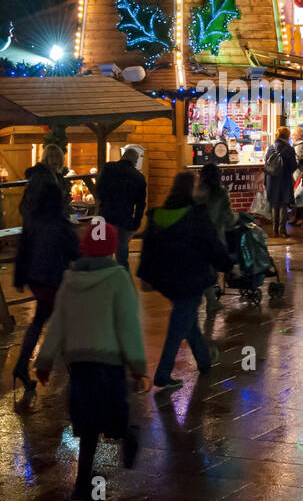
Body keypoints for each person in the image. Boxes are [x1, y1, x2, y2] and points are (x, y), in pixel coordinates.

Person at [33, 221, 147, 501]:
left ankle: (83, 483)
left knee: (86, 422)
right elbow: (128, 325)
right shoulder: (119, 278)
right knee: (113, 411)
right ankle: (128, 435)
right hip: (109, 362)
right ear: (111, 248)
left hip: (80, 362)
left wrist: (44, 360)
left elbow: (58, 323)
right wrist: (137, 365)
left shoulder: (70, 279)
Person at [138, 172, 234, 392]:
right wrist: (229, 266)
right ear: (190, 190)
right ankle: (163, 373)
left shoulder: (159, 215)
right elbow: (212, 245)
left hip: (166, 280)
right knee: (177, 326)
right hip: (191, 278)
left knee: (187, 319)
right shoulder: (196, 216)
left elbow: (149, 249)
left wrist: (145, 275)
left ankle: (203, 360)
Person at [12, 173, 80, 405]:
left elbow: (22, 252)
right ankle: (70, 370)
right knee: (66, 323)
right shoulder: (60, 224)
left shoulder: (32, 221)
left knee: (41, 320)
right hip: (55, 279)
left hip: (37, 279)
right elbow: (74, 251)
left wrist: (19, 278)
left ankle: (23, 365)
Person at [195, 162, 236, 316]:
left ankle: (209, 299)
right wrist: (234, 221)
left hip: (197, 235)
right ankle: (210, 301)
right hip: (214, 238)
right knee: (210, 271)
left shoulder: (196, 192)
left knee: (203, 269)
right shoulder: (220, 193)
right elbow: (228, 218)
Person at [95, 147, 147, 268]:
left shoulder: (108, 168)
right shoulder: (139, 177)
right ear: (135, 161)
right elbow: (140, 203)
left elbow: (99, 191)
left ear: (123, 156)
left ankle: (104, 282)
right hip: (125, 218)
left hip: (106, 216)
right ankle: (123, 281)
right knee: (122, 256)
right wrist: (136, 223)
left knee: (105, 253)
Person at [263, 126, 299, 237]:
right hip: (284, 179)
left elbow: (266, 164)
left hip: (272, 179)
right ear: (287, 136)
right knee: (283, 204)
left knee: (274, 204)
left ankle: (275, 230)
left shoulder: (270, 148)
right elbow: (293, 166)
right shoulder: (289, 149)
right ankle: (282, 230)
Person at [23, 143, 70, 220]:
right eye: (51, 156)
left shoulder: (58, 177)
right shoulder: (39, 176)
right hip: (42, 221)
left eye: (57, 156)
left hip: (56, 220)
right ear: (45, 158)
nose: (55, 160)